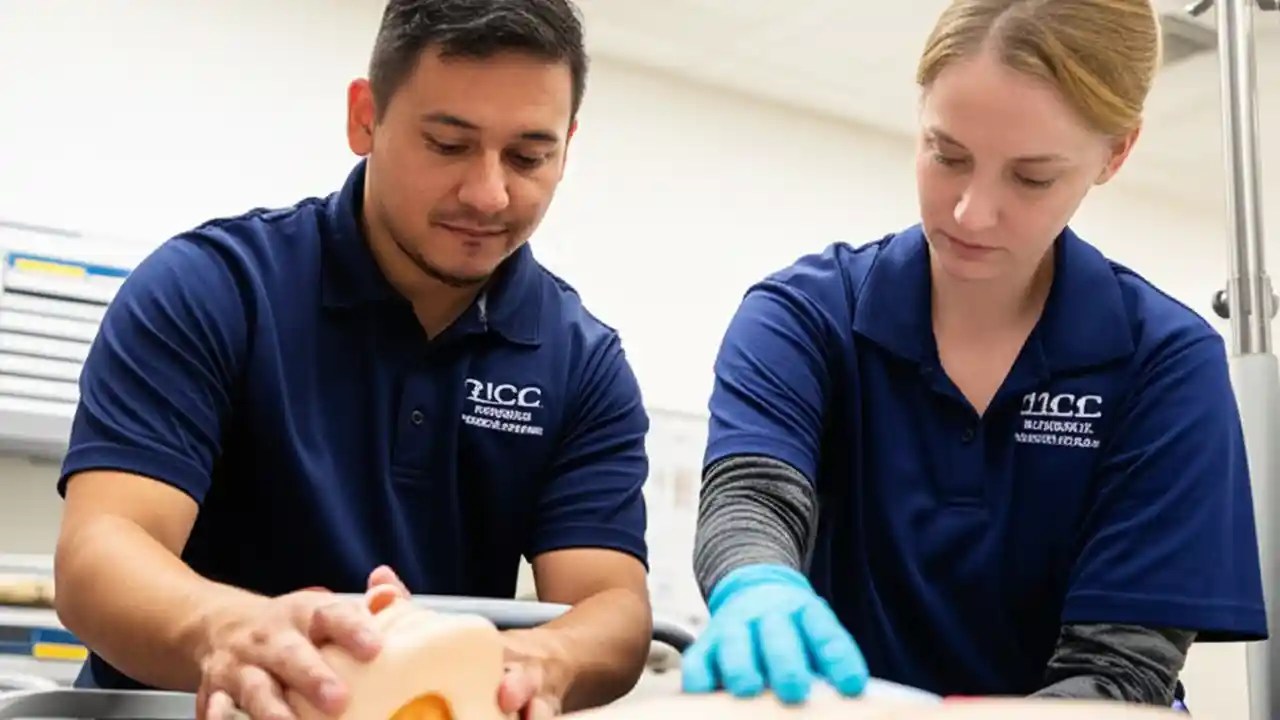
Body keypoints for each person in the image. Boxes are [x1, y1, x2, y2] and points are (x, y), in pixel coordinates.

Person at [52, 2, 654, 719]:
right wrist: (229, 630)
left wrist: (536, 661)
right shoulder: (213, 289)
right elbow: (102, 552)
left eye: (529, 157)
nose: (489, 193)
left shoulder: (582, 361)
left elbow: (610, 604)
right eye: (448, 144)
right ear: (365, 117)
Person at [681, 0, 1268, 712]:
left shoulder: (1164, 364)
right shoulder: (804, 317)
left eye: (1031, 177)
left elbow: (1119, 671)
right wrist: (757, 586)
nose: (970, 213)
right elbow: (751, 499)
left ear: (1116, 152)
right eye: (947, 155)